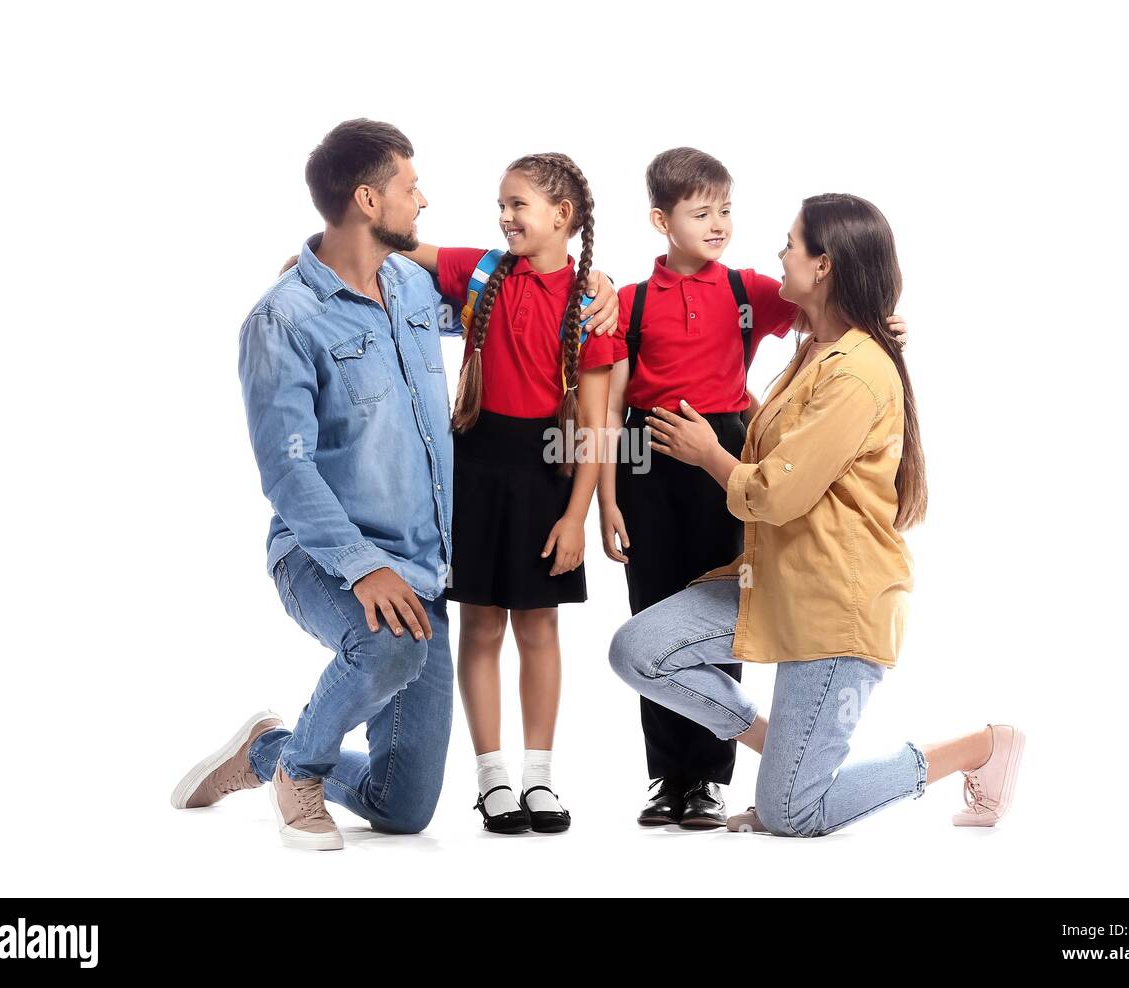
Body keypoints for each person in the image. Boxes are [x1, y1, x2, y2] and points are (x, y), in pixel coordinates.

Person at [169, 120, 620, 850]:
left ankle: (264, 749)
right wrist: (365, 566)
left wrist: (590, 285)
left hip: (421, 571)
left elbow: (519, 310)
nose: (426, 200)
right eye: (412, 188)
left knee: (404, 806)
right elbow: (286, 470)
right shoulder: (281, 321)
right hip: (324, 558)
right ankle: (300, 770)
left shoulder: (413, 289)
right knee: (389, 648)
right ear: (370, 200)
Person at [609, 193, 1025, 837]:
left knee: (791, 814)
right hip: (773, 583)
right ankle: (787, 758)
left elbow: (775, 493)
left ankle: (982, 747)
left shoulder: (857, 371)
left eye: (791, 243)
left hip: (835, 607)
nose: (779, 253)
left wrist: (709, 454)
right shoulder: (813, 353)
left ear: (824, 265)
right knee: (638, 651)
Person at [598, 148, 908, 828]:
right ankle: (667, 777)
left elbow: (838, 319)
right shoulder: (632, 300)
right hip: (650, 452)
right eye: (700, 212)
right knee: (653, 612)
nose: (720, 224)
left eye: (726, 210)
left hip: (730, 458)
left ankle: (708, 777)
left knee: (734, 616)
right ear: (661, 220)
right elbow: (600, 385)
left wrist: (883, 330)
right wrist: (607, 496)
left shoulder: (751, 292)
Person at [401, 154, 614, 833]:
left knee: (539, 624)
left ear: (563, 217)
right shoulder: (485, 271)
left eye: (518, 204)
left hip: (547, 470)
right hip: (476, 461)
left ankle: (540, 778)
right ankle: (491, 778)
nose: (505, 215)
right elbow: (404, 243)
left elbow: (595, 428)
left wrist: (577, 516)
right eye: (502, 203)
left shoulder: (590, 304)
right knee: (483, 622)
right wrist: (315, 253)